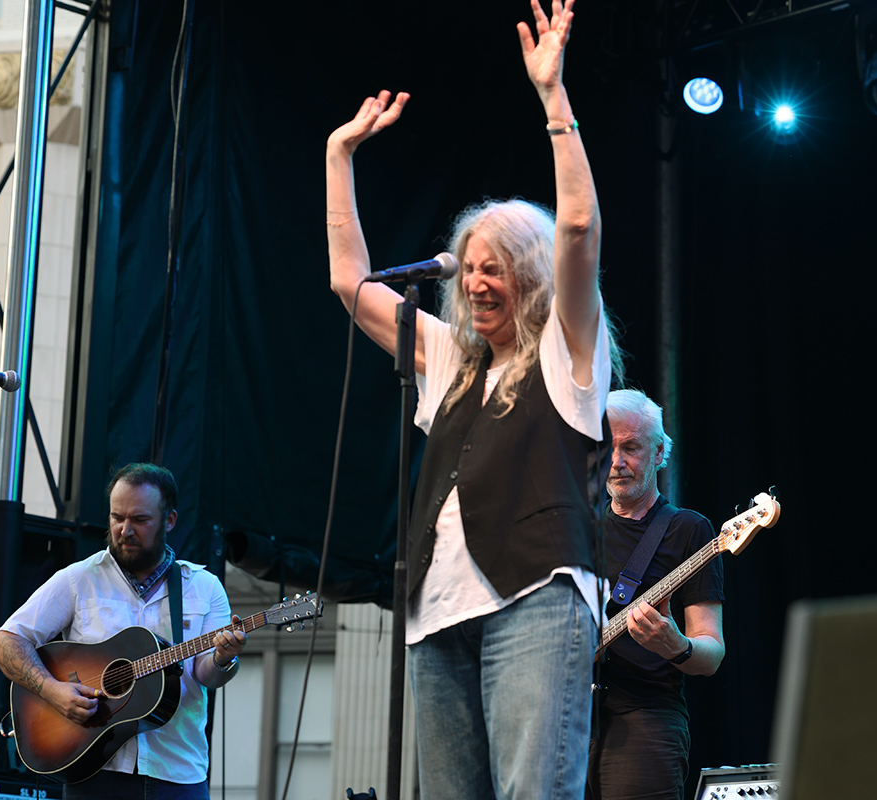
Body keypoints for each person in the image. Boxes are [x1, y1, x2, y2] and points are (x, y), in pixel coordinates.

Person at [326, 1, 620, 796]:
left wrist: (553, 98)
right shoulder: (455, 362)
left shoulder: (565, 354)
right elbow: (351, 286)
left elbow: (581, 226)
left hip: (535, 601)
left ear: (527, 274)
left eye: (495, 266)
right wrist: (339, 155)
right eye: (467, 266)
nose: (477, 280)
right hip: (435, 615)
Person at [0, 463, 246, 799]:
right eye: (116, 517)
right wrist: (52, 690)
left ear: (169, 520)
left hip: (178, 772)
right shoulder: (79, 579)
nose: (125, 530)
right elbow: (5, 642)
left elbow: (205, 675)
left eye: (140, 520)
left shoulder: (203, 587)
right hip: (93, 771)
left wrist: (224, 658)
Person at [587, 389, 726, 800]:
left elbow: (711, 653)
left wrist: (676, 646)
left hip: (645, 721)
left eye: (631, 447)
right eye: (607, 448)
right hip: (569, 723)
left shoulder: (689, 530)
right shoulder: (577, 529)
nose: (616, 462)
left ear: (660, 452)